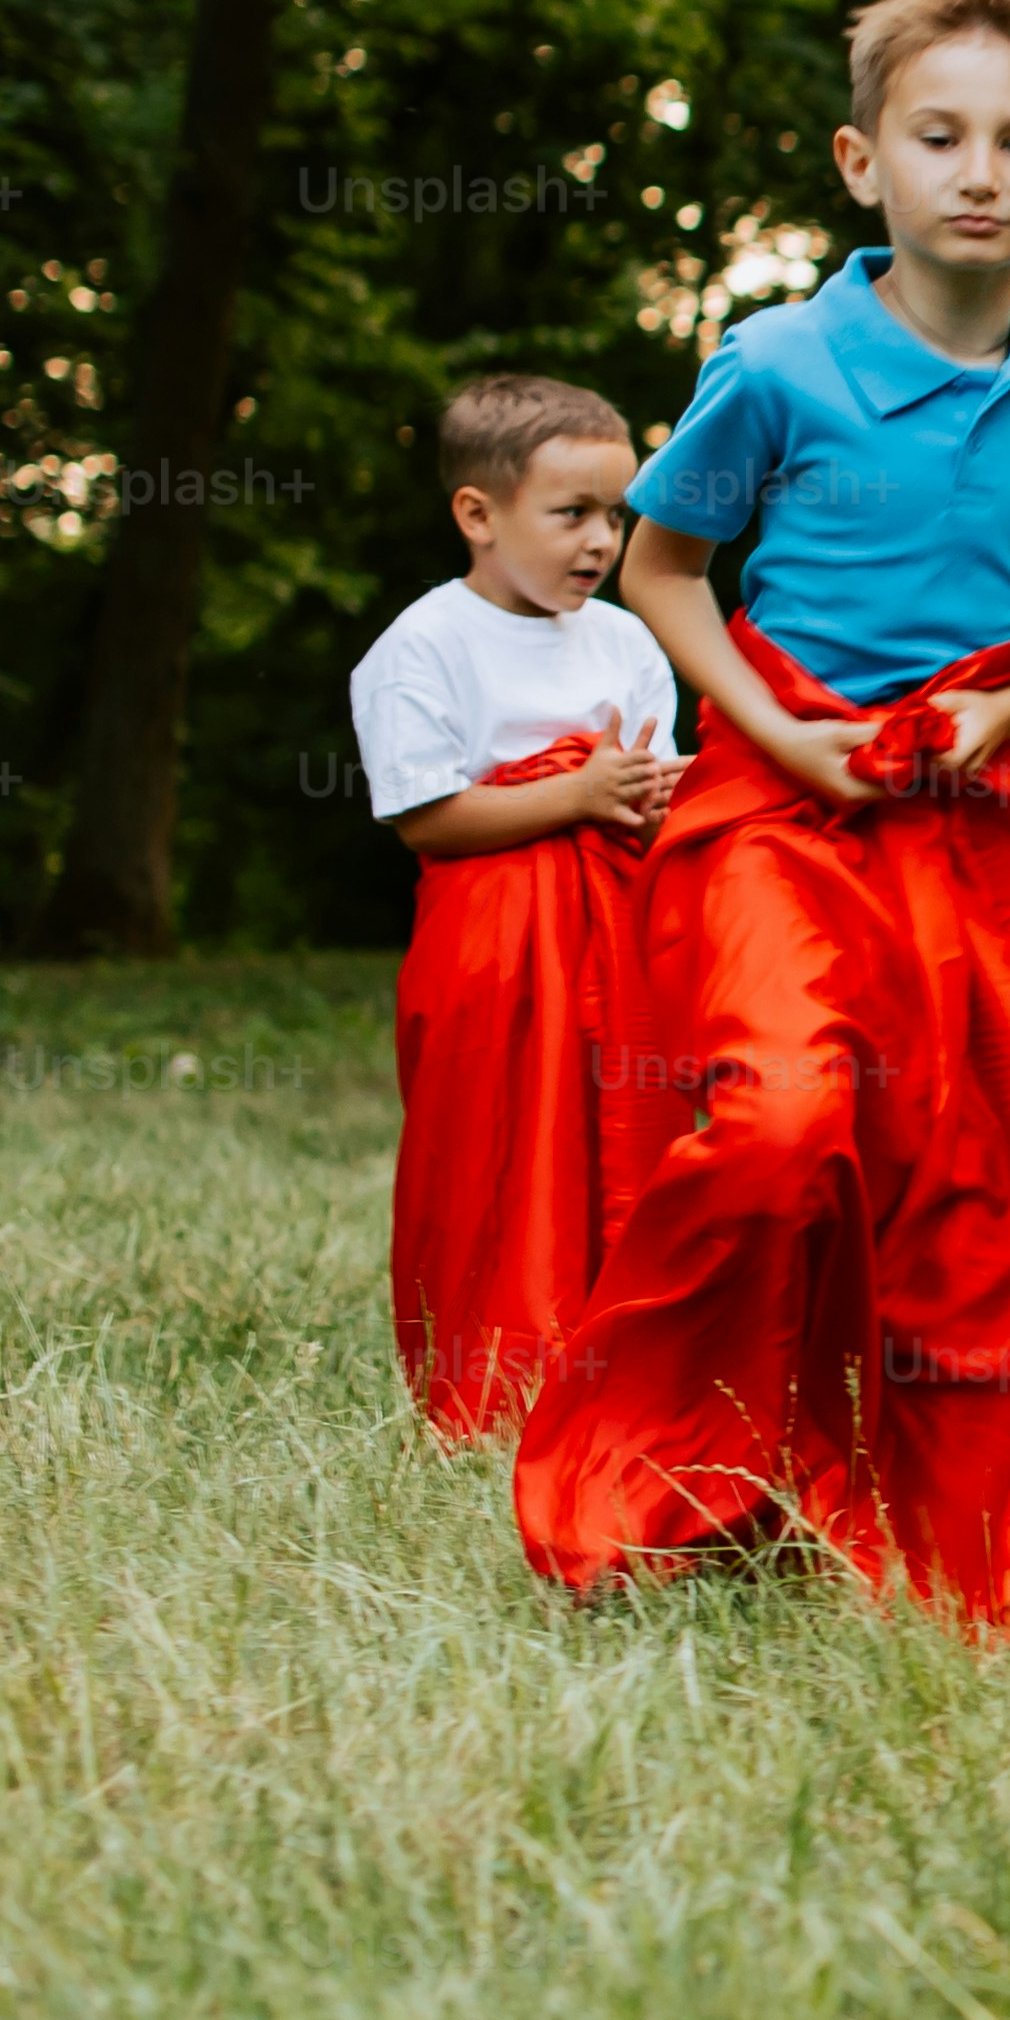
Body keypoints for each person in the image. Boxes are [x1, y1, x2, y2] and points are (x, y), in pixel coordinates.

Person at [512, 0, 1010, 1645]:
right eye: (937, 136)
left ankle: (901, 1501)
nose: (977, 172)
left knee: (1001, 1174)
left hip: (981, 803)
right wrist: (774, 731)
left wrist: (1004, 707)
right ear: (858, 160)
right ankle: (655, 1457)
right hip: (778, 797)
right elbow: (670, 574)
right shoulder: (781, 367)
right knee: (777, 1120)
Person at [351, 373, 680, 1437]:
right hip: (493, 935)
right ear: (478, 515)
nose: (600, 541)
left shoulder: (625, 641)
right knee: (495, 1144)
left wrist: (646, 796)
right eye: (572, 514)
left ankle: (620, 1362)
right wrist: (574, 792)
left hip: (615, 924)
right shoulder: (423, 645)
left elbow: (655, 776)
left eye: (616, 516)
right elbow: (425, 816)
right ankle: (489, 1383)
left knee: (618, 1135)